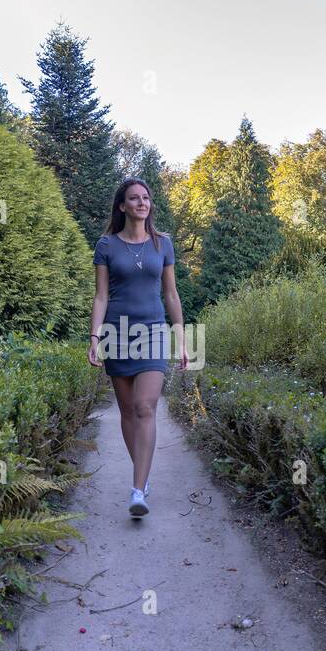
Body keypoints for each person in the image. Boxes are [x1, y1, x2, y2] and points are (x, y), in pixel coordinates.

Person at [88, 178, 188, 517]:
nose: (142, 203)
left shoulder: (163, 244)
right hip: (117, 332)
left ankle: (136, 489)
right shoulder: (106, 245)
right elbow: (101, 296)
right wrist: (94, 337)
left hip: (153, 330)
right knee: (128, 411)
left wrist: (183, 339)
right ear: (122, 206)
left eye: (146, 198)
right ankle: (142, 477)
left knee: (146, 407)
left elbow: (171, 295)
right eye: (134, 198)